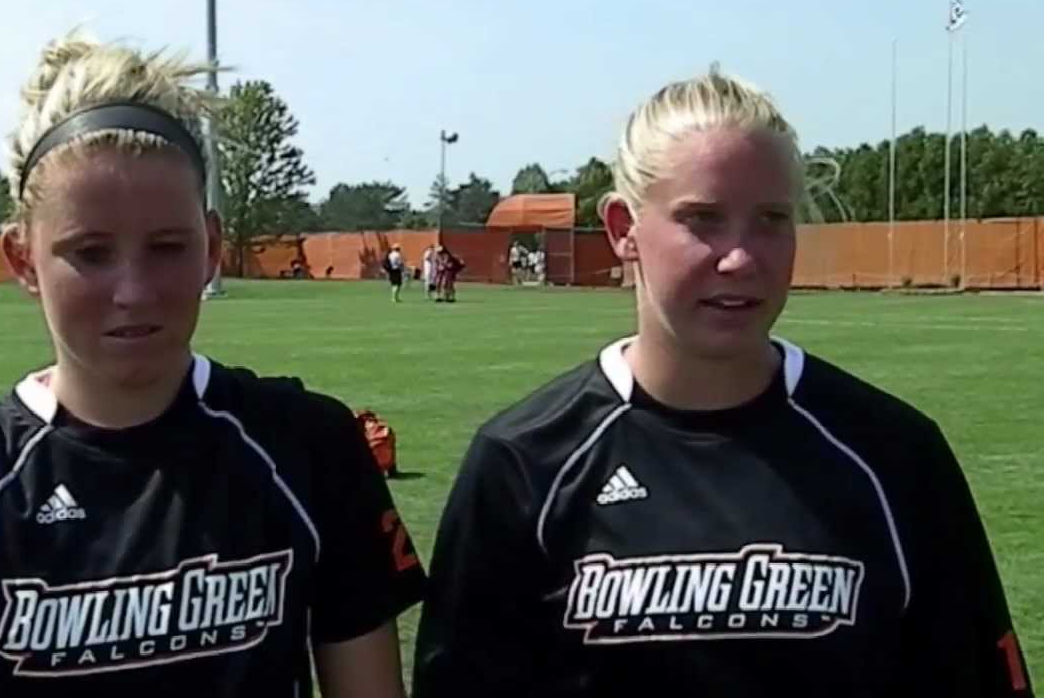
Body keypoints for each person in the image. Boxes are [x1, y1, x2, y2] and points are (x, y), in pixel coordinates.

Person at [0, 30, 426, 698]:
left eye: (167, 246)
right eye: (91, 252)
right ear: (23, 259)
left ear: (212, 248)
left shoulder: (310, 448)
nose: (133, 291)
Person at [412, 66, 1034, 697]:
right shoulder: (524, 463)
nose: (740, 258)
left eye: (770, 219)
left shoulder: (894, 455)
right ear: (624, 229)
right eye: (703, 219)